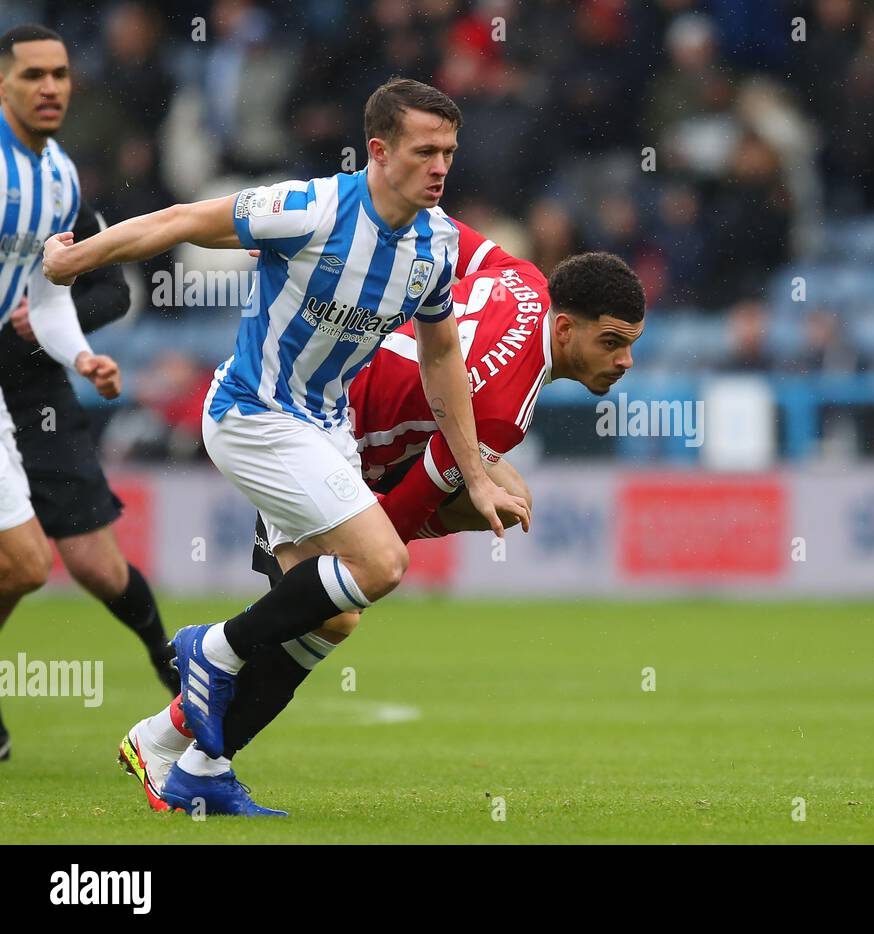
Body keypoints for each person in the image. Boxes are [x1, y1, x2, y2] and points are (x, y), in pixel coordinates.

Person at [44, 77, 528, 814]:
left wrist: (478, 473)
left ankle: (182, 757)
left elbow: (441, 359)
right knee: (382, 561)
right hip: (252, 414)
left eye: (449, 153)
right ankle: (214, 651)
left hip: (324, 429)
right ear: (378, 150)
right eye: (425, 150)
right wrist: (72, 262)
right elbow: (178, 220)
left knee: (334, 614)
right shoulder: (310, 208)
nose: (440, 166)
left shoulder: (434, 246)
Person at [117, 221, 646, 813]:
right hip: (313, 437)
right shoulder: (501, 411)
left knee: (349, 605)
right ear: (567, 328)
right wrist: (443, 519)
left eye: (631, 344)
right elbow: (395, 522)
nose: (626, 360)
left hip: (333, 405)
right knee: (344, 607)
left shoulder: (518, 275)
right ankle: (211, 660)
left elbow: (437, 231)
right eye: (612, 342)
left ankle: (176, 748)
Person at [0, 24, 123, 761]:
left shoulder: (62, 180)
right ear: (2, 84)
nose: (50, 87)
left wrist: (82, 357)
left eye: (60, 74)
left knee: (24, 563)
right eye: (32, 75)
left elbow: (46, 297)